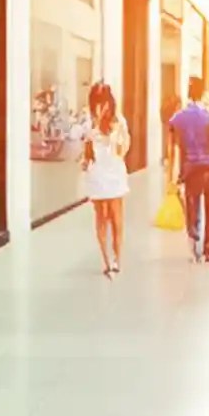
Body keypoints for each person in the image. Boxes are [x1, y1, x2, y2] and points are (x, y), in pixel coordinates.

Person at [168, 77, 209, 264]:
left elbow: (173, 147)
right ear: (203, 93)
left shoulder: (179, 117)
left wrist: (172, 176)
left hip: (191, 169)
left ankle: (194, 243)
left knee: (193, 207)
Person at [82, 82, 130, 277]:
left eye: (104, 101)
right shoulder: (88, 120)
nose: (101, 106)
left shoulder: (119, 121)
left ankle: (118, 258)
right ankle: (106, 260)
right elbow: (85, 147)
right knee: (101, 215)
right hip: (97, 172)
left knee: (116, 217)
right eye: (97, 102)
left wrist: (115, 135)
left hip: (115, 171)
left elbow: (124, 148)